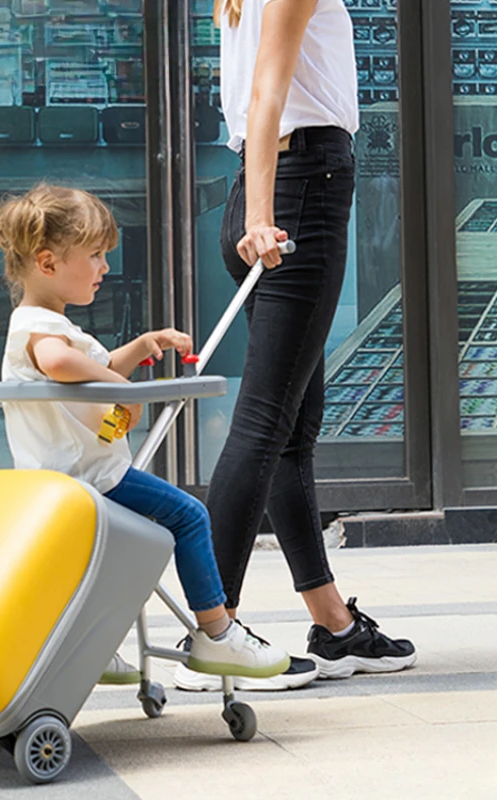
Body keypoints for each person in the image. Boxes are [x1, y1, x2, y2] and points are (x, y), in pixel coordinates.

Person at [173, 0, 417, 693]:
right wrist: (261, 218)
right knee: (264, 425)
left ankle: (334, 626)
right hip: (296, 193)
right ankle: (213, 632)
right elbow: (267, 93)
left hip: (278, 188)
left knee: (287, 432)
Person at [0, 183, 290, 684]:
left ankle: (83, 643)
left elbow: (96, 362)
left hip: (72, 476)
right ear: (47, 264)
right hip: (90, 476)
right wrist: (120, 391)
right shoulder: (38, 328)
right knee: (190, 516)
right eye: (95, 256)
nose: (105, 267)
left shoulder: (47, 321)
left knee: (110, 554)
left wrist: (143, 346)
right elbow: (63, 363)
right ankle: (217, 634)